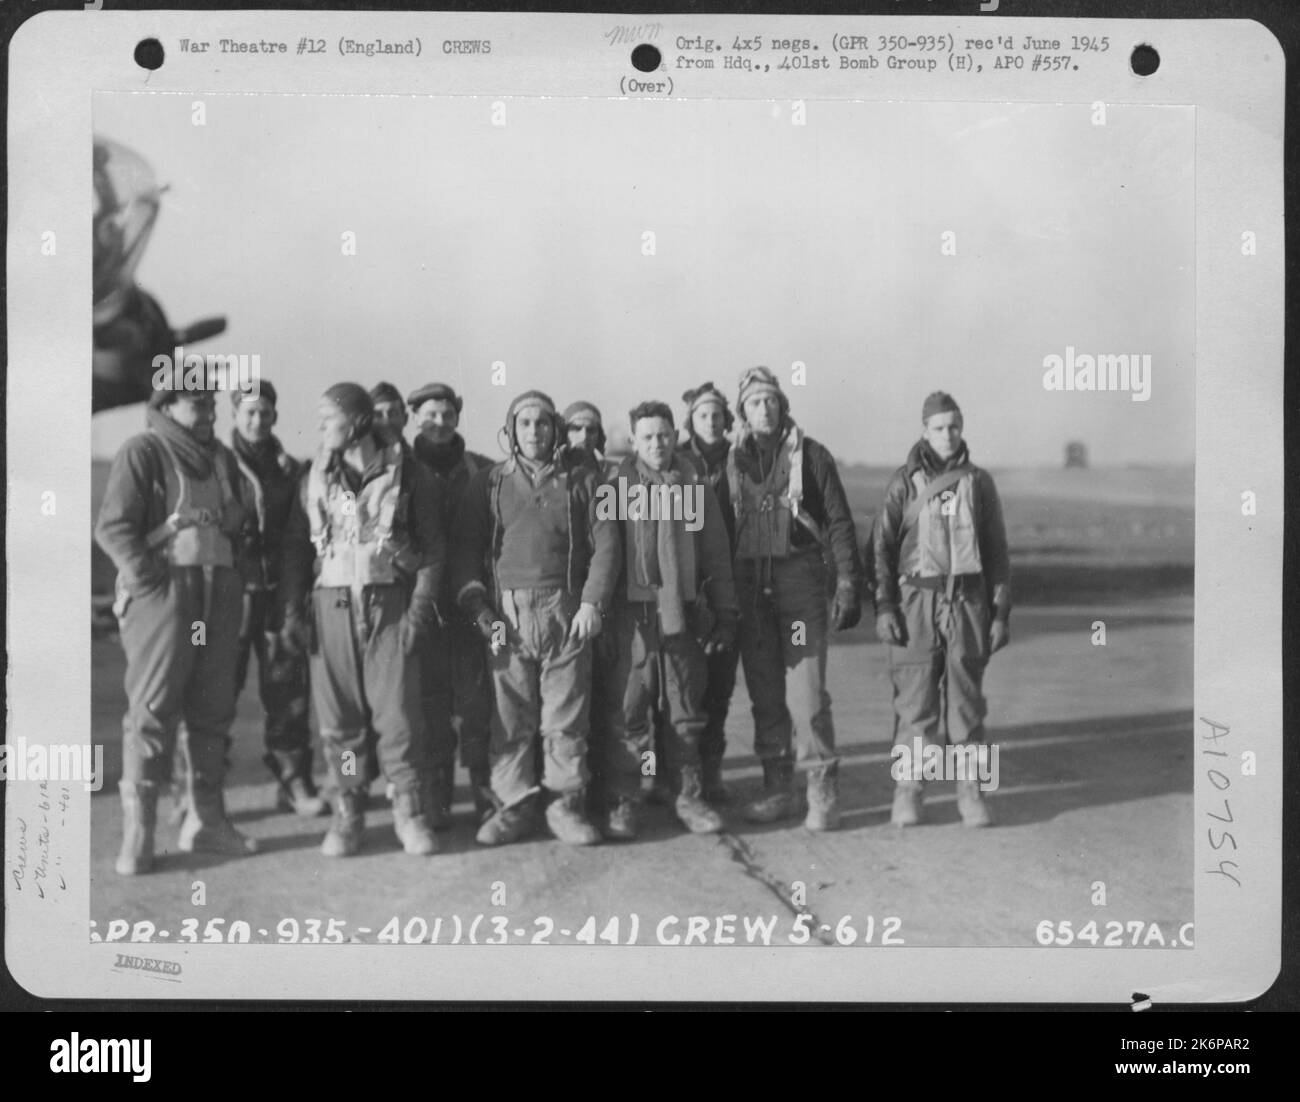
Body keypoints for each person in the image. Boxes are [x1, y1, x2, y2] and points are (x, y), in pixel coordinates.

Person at [279, 383, 446, 857]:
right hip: (330, 608)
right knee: (341, 722)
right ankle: (349, 808)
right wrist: (293, 612)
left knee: (398, 717)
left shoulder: (411, 476)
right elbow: (295, 550)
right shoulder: (313, 478)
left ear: (354, 424)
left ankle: (408, 811)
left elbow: (433, 551)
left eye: (325, 418)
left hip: (388, 607)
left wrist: (417, 614)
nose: (318, 428)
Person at [95, 387, 257, 874]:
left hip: (217, 591)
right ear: (167, 407)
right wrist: (148, 583)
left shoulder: (222, 458)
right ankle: (140, 832)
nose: (208, 413)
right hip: (166, 595)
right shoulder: (143, 450)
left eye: (211, 405)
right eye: (196, 405)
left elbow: (241, 514)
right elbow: (113, 528)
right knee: (152, 708)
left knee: (212, 708)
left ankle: (205, 818)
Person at [451, 390, 620, 846]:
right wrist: (481, 611)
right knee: (511, 715)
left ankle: (565, 803)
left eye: (543, 423)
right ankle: (514, 804)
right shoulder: (487, 483)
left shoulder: (586, 481)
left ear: (555, 429)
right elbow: (466, 551)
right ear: (511, 431)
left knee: (566, 716)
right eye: (524, 423)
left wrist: (591, 603)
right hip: (508, 613)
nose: (534, 432)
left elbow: (607, 544)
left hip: (565, 609)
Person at [728, 366, 864, 831]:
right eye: (753, 402)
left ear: (783, 405)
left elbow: (840, 523)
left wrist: (848, 581)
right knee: (765, 692)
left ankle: (822, 786)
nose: (763, 409)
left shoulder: (811, 455)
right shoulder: (732, 460)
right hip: (751, 583)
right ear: (741, 412)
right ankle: (777, 786)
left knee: (804, 692)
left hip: (800, 579)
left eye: (770, 400)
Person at [598, 401, 738, 840]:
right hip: (633, 615)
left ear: (675, 435)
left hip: (681, 611)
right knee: (630, 707)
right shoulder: (617, 486)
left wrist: (724, 611)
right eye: (647, 437)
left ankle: (686, 793)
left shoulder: (691, 486)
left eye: (664, 435)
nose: (657, 444)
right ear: (633, 442)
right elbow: (603, 553)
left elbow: (713, 551)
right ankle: (625, 795)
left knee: (684, 705)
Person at [871, 391, 1010, 827]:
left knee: (967, 702)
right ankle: (909, 790)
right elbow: (881, 548)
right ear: (924, 431)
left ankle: (970, 790)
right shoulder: (903, 482)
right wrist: (885, 606)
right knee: (915, 701)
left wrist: (1000, 612)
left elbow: (996, 551)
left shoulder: (979, 482)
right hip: (917, 598)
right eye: (938, 428)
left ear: (962, 428)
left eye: (953, 427)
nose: (947, 435)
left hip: (967, 600)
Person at [225, 381, 327, 816]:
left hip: (278, 595)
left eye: (265, 412)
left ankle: (293, 781)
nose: (257, 420)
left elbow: (297, 539)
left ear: (275, 416)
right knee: (215, 692)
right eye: (249, 412)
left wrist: (293, 600)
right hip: (230, 596)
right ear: (234, 415)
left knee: (288, 690)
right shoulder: (217, 463)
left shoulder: (290, 470)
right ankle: (200, 790)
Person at [407, 381, 495, 825]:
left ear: (458, 418)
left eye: (447, 414)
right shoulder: (399, 470)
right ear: (414, 418)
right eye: (429, 415)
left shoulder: (482, 470)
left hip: (468, 605)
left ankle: (484, 790)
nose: (439, 423)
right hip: (421, 606)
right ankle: (437, 792)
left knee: (478, 703)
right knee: (429, 705)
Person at [680, 381, 740, 803]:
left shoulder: (742, 463)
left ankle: (712, 767)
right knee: (683, 685)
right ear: (691, 421)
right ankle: (678, 774)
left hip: (731, 579)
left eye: (718, 414)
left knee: (720, 681)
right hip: (684, 585)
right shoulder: (677, 463)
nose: (712, 421)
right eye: (704, 415)